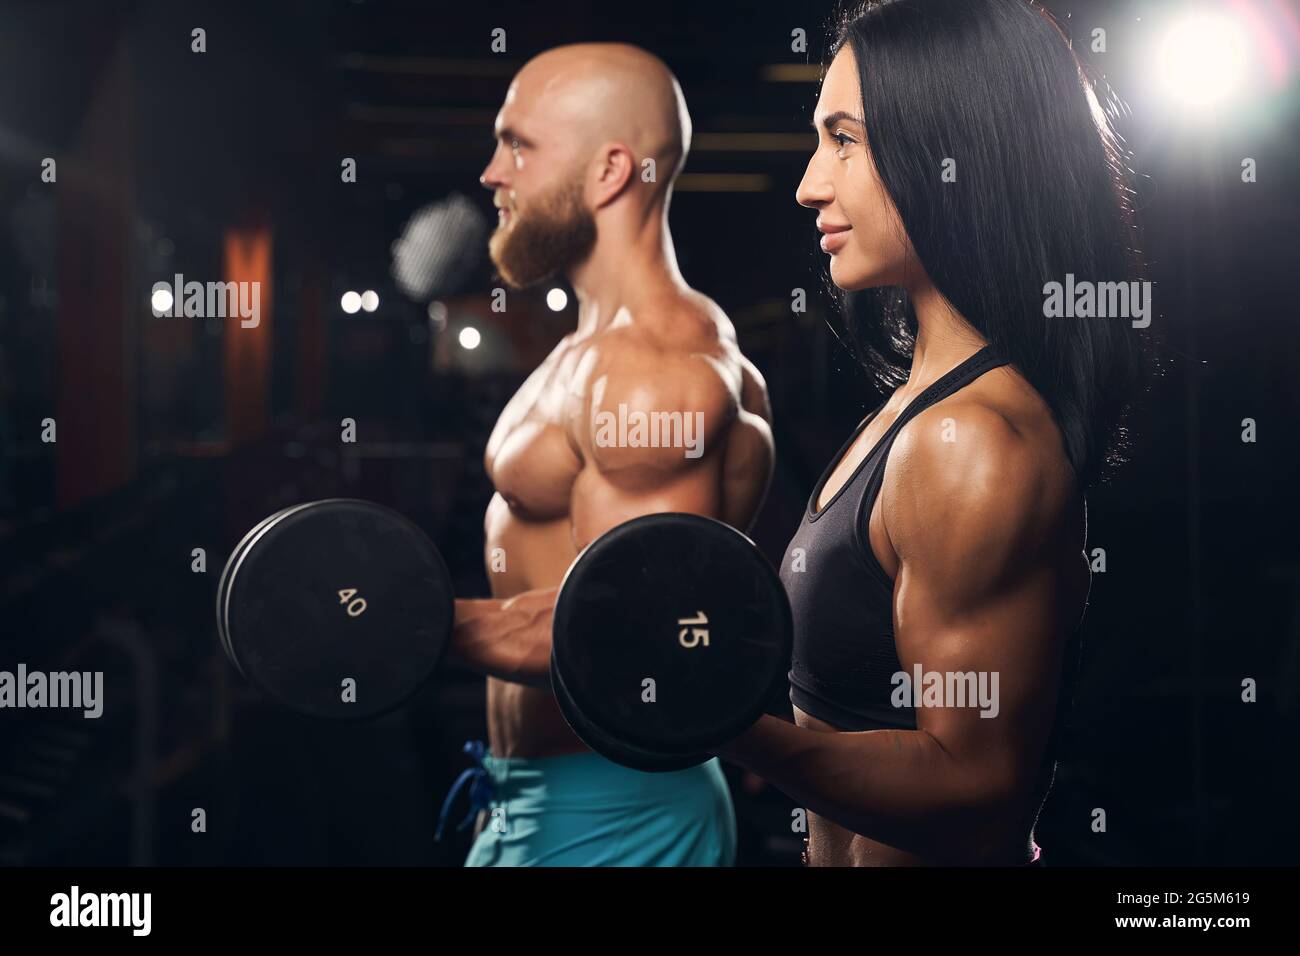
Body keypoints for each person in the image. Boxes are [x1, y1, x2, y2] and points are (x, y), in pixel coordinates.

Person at [716, 0, 1147, 865]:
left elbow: (972, 787)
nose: (809, 182)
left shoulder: (976, 443)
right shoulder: (916, 408)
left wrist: (724, 724)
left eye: (845, 139)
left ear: (956, 155)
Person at [445, 42, 775, 866]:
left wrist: (389, 620)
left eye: (518, 144)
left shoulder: (649, 373)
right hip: (536, 800)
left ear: (610, 171)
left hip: (618, 811)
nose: (492, 173)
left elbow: (628, 629)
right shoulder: (586, 349)